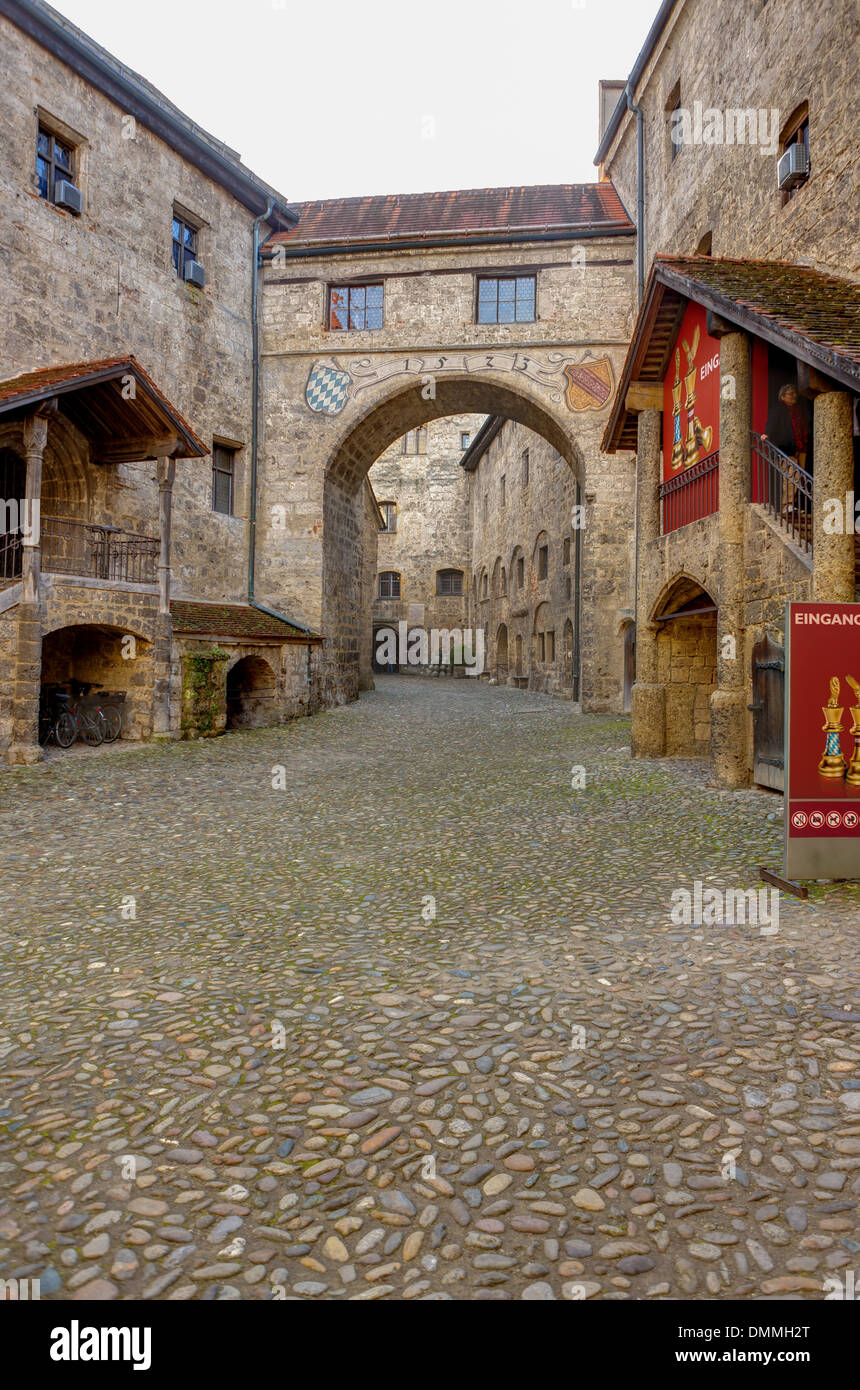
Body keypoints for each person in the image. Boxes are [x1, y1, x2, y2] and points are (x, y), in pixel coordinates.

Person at [763, 383, 812, 516]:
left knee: (801, 478)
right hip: (786, 447)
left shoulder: (798, 411)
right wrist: (767, 434)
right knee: (792, 474)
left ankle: (795, 504)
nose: (794, 396)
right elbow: (772, 423)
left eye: (794, 393)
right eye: (790, 393)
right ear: (783, 396)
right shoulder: (778, 409)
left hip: (800, 448)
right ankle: (787, 505)